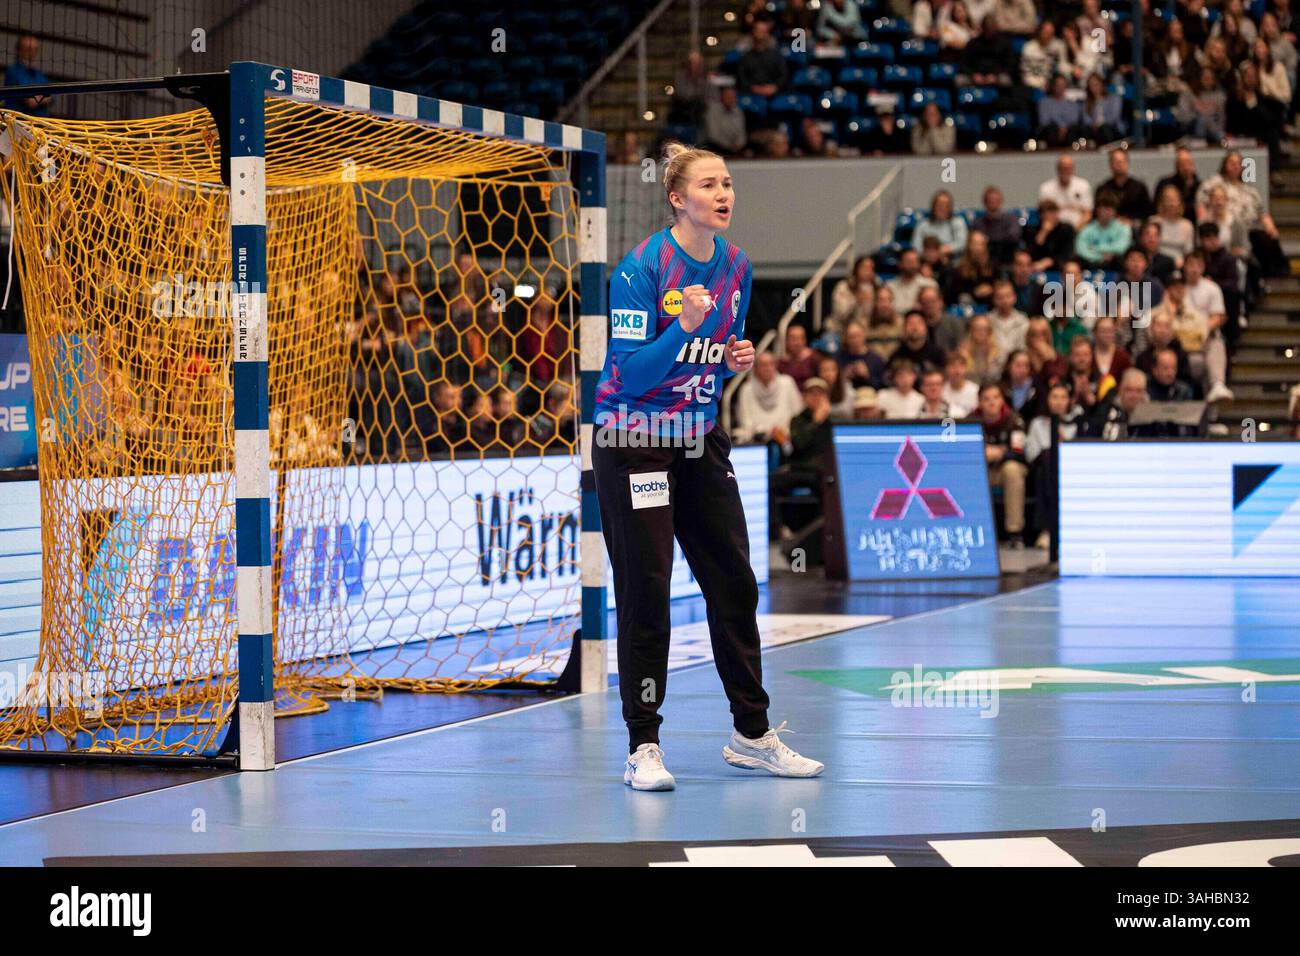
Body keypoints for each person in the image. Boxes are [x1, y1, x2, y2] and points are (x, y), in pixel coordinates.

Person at [593, 142, 823, 791]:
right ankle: (643, 745)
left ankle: (752, 734)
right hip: (634, 439)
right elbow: (631, 373)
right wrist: (680, 328)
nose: (723, 195)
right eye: (709, 185)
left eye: (728, 184)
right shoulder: (641, 269)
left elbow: (713, 356)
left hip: (698, 438)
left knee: (734, 583)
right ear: (677, 198)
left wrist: (731, 359)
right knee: (647, 592)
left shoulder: (738, 266)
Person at [977, 383, 1028, 546]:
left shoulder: (1014, 420)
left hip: (1005, 470)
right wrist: (981, 453)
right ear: (979, 402)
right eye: (986, 399)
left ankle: (1015, 533)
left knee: (1012, 470)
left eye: (996, 398)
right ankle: (976, 530)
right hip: (982, 470)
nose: (992, 402)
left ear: (1002, 401)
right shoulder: (971, 421)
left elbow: (1020, 453)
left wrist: (1000, 453)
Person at [734, 350, 803, 444]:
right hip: (758, 439)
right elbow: (745, 419)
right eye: (763, 365)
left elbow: (797, 412)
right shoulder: (747, 389)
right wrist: (764, 432)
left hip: (786, 437)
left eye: (771, 364)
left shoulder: (787, 382)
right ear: (755, 368)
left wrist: (783, 431)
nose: (768, 368)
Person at [1074, 192, 1131, 270]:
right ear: (1097, 210)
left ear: (1115, 211)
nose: (1107, 212)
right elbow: (1080, 249)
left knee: (1120, 258)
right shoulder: (1087, 229)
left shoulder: (1123, 227)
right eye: (1104, 208)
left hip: (1114, 263)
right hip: (1091, 264)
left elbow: (1121, 247)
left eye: (1110, 209)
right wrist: (1100, 257)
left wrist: (1095, 248)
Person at [1097, 148, 1153, 226]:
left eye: (1121, 162)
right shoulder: (1103, 189)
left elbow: (1148, 214)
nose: (1119, 165)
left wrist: (1132, 222)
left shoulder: (1139, 187)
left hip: (1135, 228)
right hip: (1109, 228)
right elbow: (1097, 214)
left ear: (1127, 163)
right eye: (1116, 162)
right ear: (1110, 165)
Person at [912, 189, 968, 264]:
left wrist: (940, 251)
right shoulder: (923, 225)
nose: (942, 208)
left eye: (946, 206)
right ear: (933, 206)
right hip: (927, 263)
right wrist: (931, 254)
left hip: (953, 263)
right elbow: (916, 247)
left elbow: (962, 244)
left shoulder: (958, 222)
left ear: (950, 208)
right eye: (939, 205)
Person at [1039, 154, 1093, 230]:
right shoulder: (1046, 188)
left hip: (1079, 229)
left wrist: (1075, 230)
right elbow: (1044, 214)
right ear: (1057, 169)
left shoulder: (1083, 186)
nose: (1066, 171)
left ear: (1073, 169)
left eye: (1069, 168)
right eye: (1063, 168)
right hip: (1056, 230)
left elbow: (1088, 213)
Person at [973, 185, 1022, 265]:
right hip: (985, 260)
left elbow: (1014, 237)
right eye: (990, 200)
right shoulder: (979, 222)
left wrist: (990, 239)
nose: (993, 202)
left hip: (1007, 258)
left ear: (1001, 201)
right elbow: (978, 241)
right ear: (985, 202)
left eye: (996, 200)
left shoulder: (1011, 219)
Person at [886, 247, 939, 314]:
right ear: (900, 264)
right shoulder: (889, 286)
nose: (913, 265)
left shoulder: (930, 284)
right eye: (909, 261)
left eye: (915, 261)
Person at [702, 85, 749, 156]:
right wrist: (728, 145)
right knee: (710, 145)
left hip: (735, 146)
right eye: (728, 96)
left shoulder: (738, 111)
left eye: (733, 97)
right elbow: (713, 134)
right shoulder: (712, 111)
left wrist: (739, 144)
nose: (731, 99)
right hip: (718, 145)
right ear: (722, 97)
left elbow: (741, 133)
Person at [778, 322, 821, 387]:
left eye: (800, 338)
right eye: (793, 339)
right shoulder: (782, 362)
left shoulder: (815, 358)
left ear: (805, 340)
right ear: (786, 341)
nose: (797, 343)